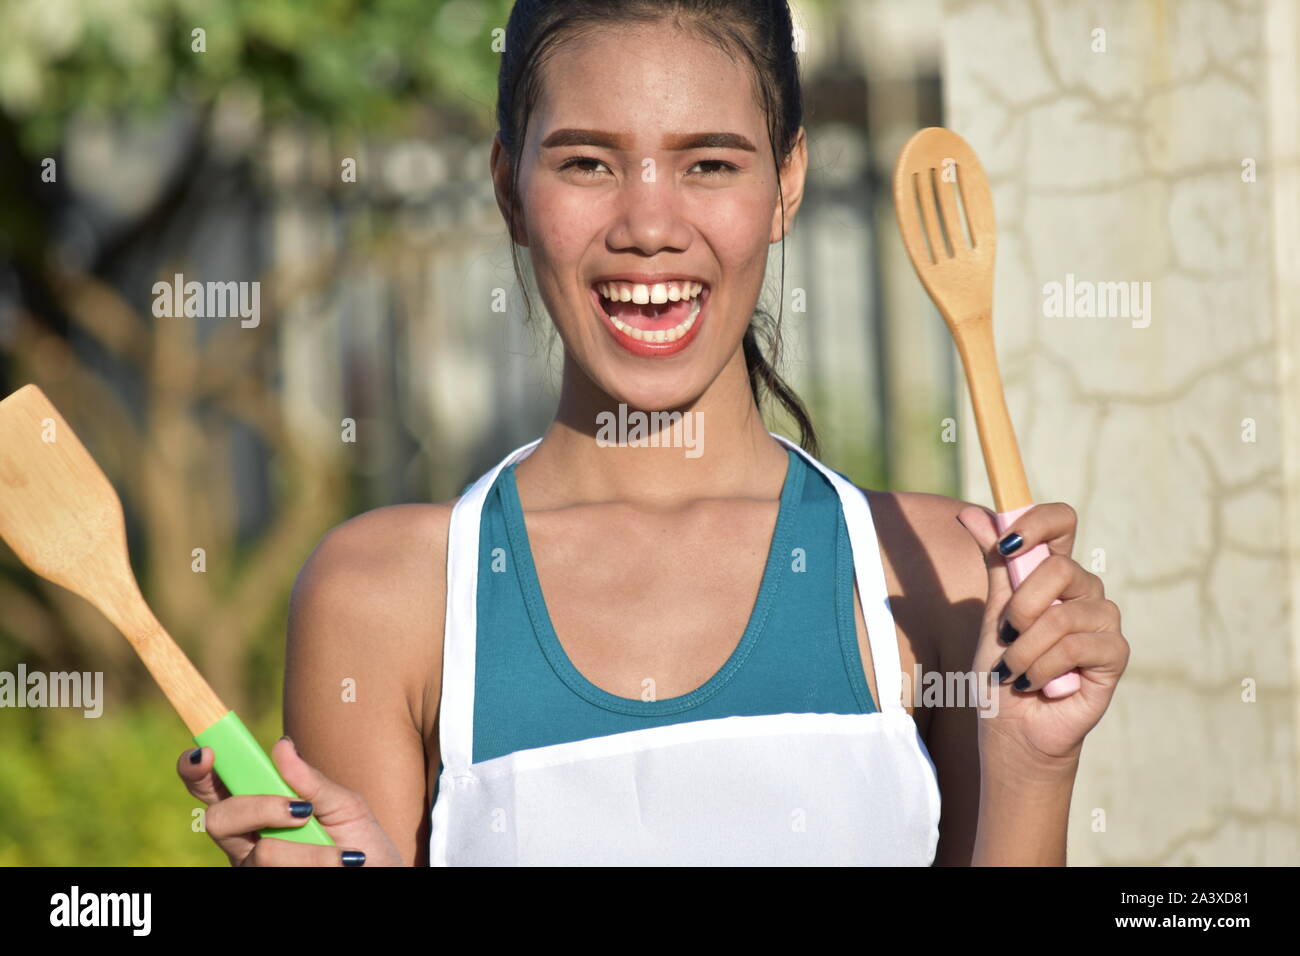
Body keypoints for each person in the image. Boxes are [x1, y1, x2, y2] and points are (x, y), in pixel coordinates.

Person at [177, 0, 1129, 866]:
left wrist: (1033, 772)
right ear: (509, 186)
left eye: (709, 163)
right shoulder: (385, 595)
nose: (649, 225)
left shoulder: (940, 574)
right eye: (587, 162)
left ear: (787, 182)